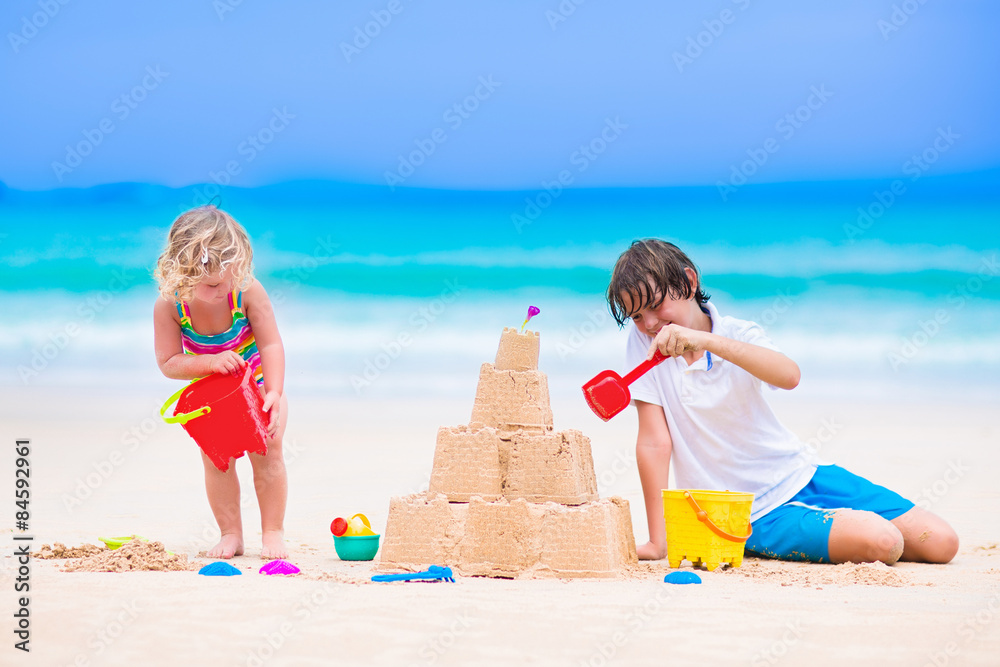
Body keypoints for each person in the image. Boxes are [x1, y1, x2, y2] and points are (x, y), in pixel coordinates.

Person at [606, 239, 958, 565]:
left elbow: (788, 376)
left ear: (689, 281)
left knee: (942, 543)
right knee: (884, 542)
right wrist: (658, 540)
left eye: (655, 306)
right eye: (636, 315)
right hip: (745, 512)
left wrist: (703, 340)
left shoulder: (738, 333)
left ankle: (834, 523)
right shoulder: (643, 346)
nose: (650, 323)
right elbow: (654, 441)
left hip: (802, 474)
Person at [153, 205, 288, 559]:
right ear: (181, 273)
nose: (224, 287)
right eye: (213, 284)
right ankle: (231, 535)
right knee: (218, 461)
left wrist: (274, 390)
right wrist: (210, 361)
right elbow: (168, 363)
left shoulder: (246, 290)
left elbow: (271, 342)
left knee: (268, 454)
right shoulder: (170, 306)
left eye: (231, 277)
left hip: (258, 385)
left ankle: (273, 531)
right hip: (213, 397)